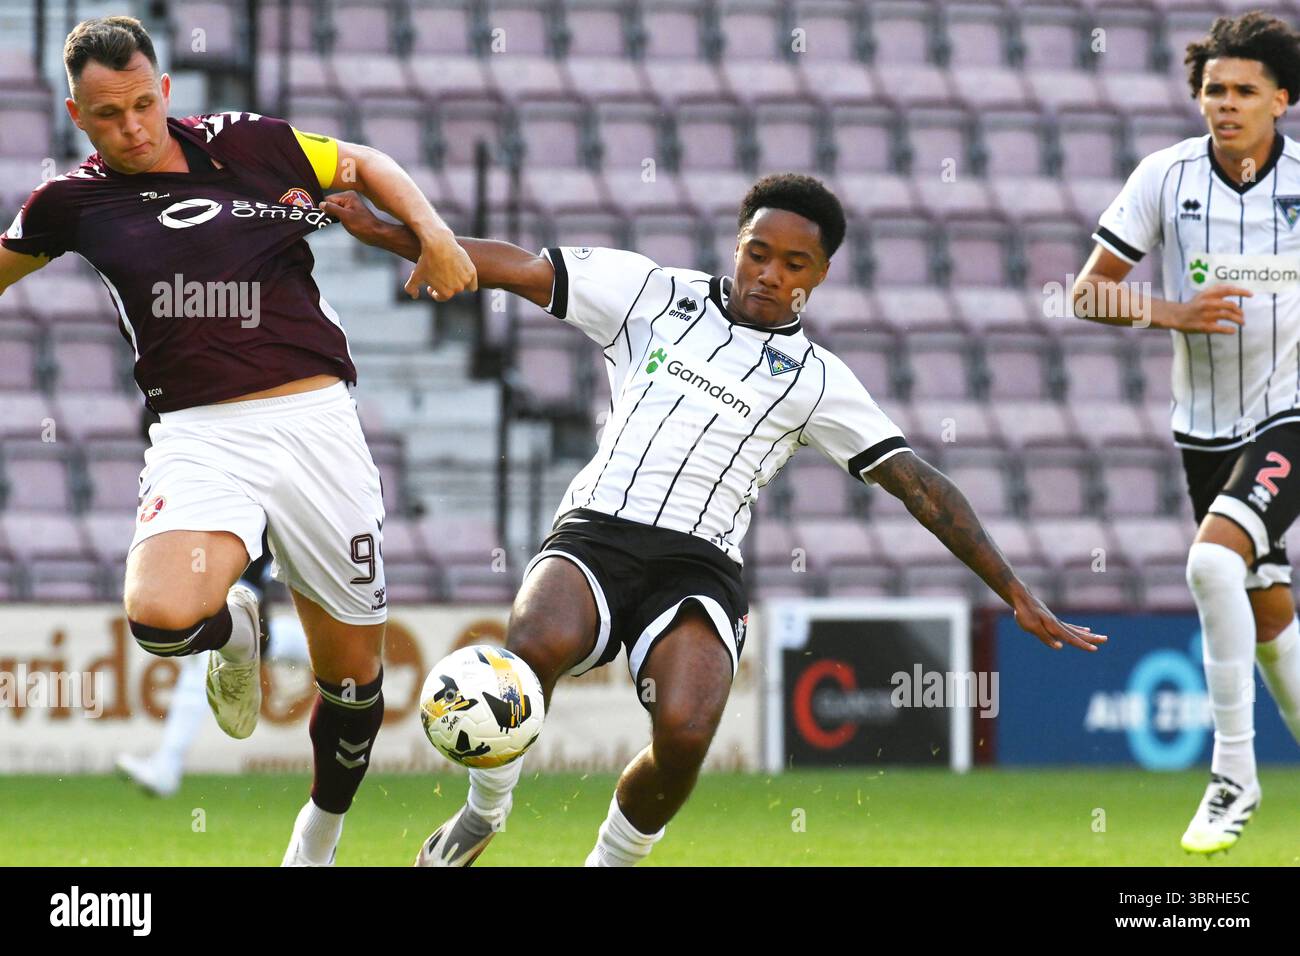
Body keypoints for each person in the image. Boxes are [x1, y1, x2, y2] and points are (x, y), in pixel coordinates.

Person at [324, 173, 1105, 867]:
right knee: (527, 655)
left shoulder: (819, 382)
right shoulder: (650, 293)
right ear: (738, 246)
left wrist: (1012, 588)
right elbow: (515, 268)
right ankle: (481, 816)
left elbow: (920, 485)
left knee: (688, 733)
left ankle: (610, 861)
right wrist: (394, 234)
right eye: (757, 252)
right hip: (597, 530)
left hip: (699, 567)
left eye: (794, 265)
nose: (770, 274)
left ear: (822, 275)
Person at [0, 16, 476, 865]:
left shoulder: (247, 142)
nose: (133, 127)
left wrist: (434, 234)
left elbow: (365, 163)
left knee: (354, 684)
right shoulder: (68, 203)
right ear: (77, 116)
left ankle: (315, 839)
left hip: (316, 423)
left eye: (144, 104)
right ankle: (235, 634)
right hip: (199, 434)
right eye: (109, 116)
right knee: (160, 617)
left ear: (166, 91)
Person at [1072, 11, 1300, 854]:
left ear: (1283, 98)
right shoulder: (1165, 179)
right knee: (1267, 612)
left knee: (1210, 562)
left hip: (1291, 415)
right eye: (1214, 90)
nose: (1226, 104)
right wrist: (1175, 312)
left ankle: (1233, 772)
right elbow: (1087, 293)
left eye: (1244, 91)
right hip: (1204, 433)